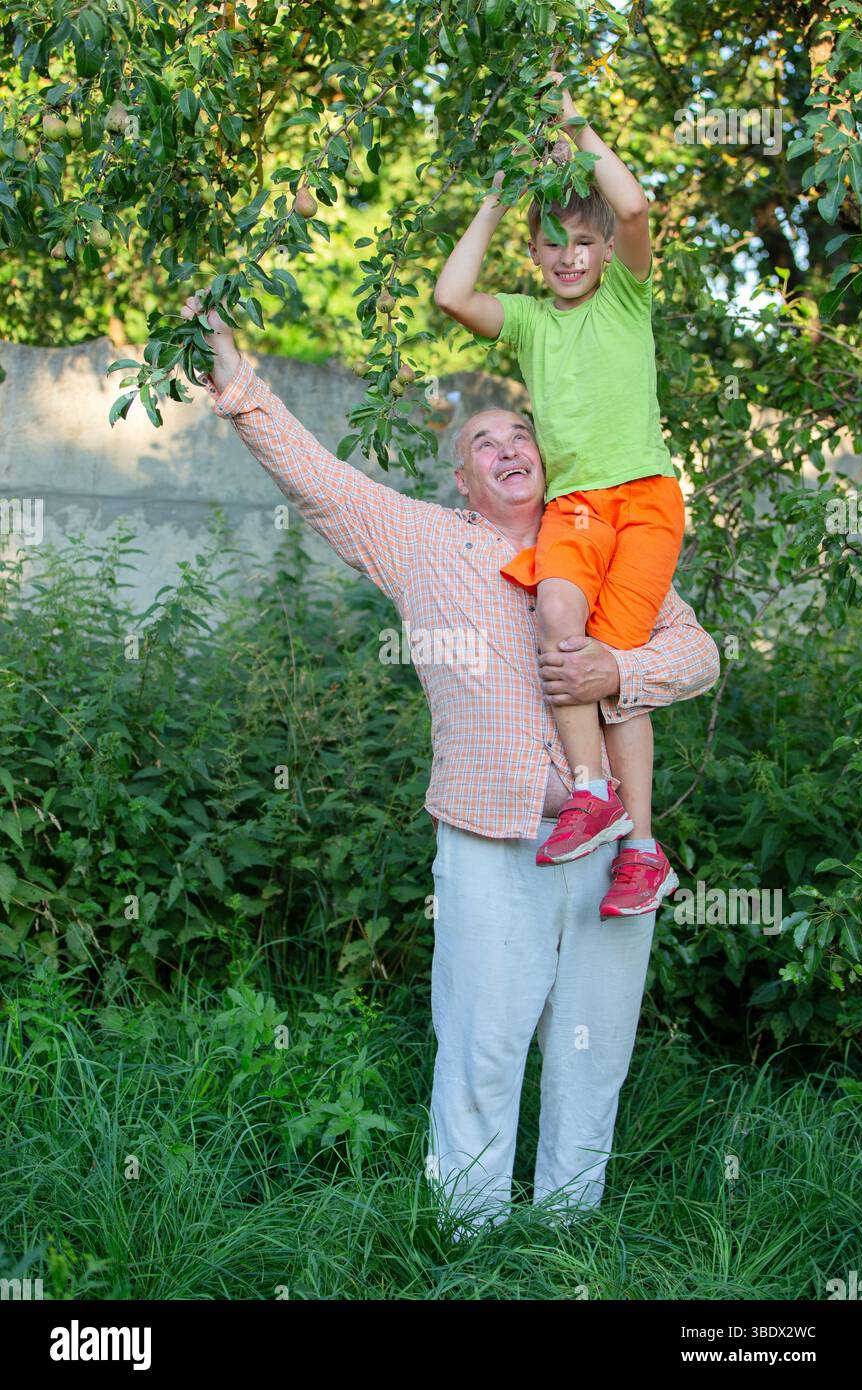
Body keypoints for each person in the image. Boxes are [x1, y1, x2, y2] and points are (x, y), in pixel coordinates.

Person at [184, 290, 719, 1234]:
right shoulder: (425, 545)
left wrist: (618, 666)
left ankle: (566, 1238)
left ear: (550, 458)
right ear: (463, 481)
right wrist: (230, 372)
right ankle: (464, 1240)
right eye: (484, 442)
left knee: (591, 1053)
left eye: (522, 432)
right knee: (481, 1045)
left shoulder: (595, 547)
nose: (510, 447)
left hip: (611, 849)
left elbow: (698, 654)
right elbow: (316, 479)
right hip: (490, 841)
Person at [434, 71, 688, 919]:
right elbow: (450, 295)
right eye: (556, 244)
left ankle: (643, 851)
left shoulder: (626, 295)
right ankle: (589, 790)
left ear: (605, 251)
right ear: (537, 257)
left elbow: (637, 205)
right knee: (556, 619)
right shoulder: (533, 319)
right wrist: (502, 197)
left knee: (611, 671)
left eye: (585, 240)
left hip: (646, 501)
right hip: (576, 504)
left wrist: (573, 125)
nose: (572, 255)